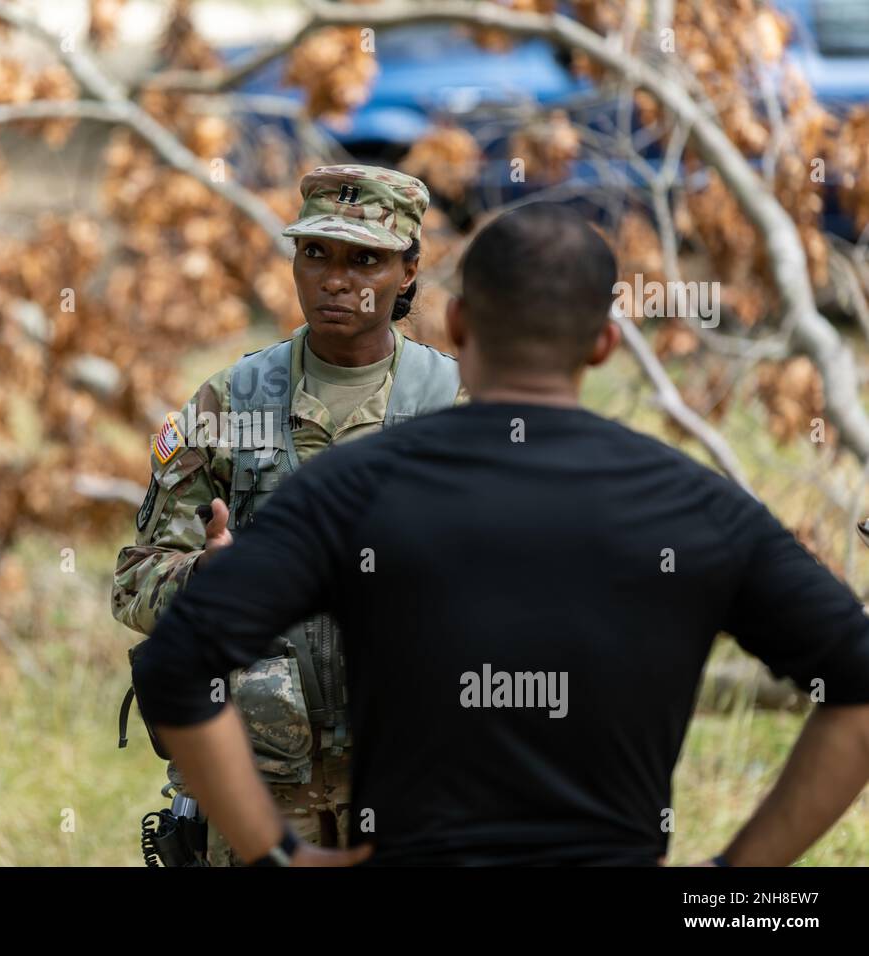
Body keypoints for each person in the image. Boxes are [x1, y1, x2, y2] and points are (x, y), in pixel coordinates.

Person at [131, 203, 869, 866]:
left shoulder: (350, 489)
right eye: (317, 253)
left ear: (456, 321)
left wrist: (278, 857)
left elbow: (175, 666)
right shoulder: (697, 505)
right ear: (607, 343)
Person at [113, 165, 460, 864]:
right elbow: (134, 581)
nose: (335, 279)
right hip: (256, 793)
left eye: (365, 258)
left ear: (410, 269)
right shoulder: (231, 403)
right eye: (315, 254)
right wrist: (205, 579)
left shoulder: (457, 407)